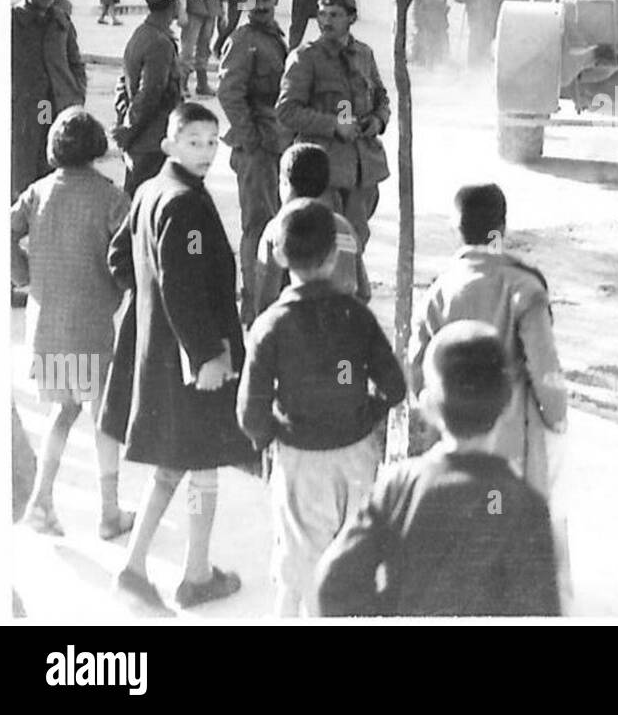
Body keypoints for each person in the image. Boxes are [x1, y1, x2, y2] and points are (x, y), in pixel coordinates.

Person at [105, 103, 256, 612]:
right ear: (169, 144)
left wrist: (150, 312)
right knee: (202, 466)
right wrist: (206, 353)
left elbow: (121, 260)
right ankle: (195, 575)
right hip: (194, 365)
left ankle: (134, 566)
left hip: (162, 357)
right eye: (194, 142)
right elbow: (185, 285)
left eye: (213, 142)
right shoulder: (186, 204)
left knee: (173, 468)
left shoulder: (148, 190)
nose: (207, 152)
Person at [315, 321, 561, 617]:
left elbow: (333, 584)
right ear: (508, 404)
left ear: (429, 406)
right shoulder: (524, 505)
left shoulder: (398, 486)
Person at [237, 199, 405, 616]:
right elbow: (395, 387)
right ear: (334, 256)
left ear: (279, 255)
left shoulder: (270, 327)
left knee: (299, 571)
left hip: (300, 461)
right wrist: (367, 413)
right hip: (356, 456)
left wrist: (269, 437)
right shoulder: (357, 316)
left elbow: (250, 412)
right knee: (350, 568)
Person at [12, 108, 133, 540]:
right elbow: (129, 256)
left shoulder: (38, 192)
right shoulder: (111, 198)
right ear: (97, 147)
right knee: (103, 417)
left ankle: (42, 500)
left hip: (48, 322)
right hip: (92, 323)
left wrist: (24, 275)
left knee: (64, 411)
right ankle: (109, 511)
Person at [412, 183, 567, 498]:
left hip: (453, 440)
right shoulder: (524, 286)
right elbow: (544, 364)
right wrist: (557, 417)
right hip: (512, 439)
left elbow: (417, 373)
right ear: (503, 227)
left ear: (456, 228)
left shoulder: (437, 292)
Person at [276, 0, 390, 250]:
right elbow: (286, 110)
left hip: (362, 168)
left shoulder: (364, 54)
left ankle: (352, 288)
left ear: (351, 17)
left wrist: (378, 120)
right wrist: (333, 125)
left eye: (335, 15)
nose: (326, 21)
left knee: (355, 241)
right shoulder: (305, 58)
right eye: (323, 14)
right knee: (324, 241)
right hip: (323, 169)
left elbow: (381, 97)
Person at [218, 0, 289, 319]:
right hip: (257, 147)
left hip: (275, 142)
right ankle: (254, 302)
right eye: (253, 0)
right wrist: (251, 139)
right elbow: (229, 93)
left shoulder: (273, 36)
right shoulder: (243, 39)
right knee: (257, 226)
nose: (261, 6)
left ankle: (274, 294)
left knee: (276, 220)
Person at [250, 143, 371, 324]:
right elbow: (364, 292)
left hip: (297, 336)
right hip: (343, 333)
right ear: (325, 185)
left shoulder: (278, 229)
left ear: (283, 183)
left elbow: (267, 298)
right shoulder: (345, 228)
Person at [11, 0, 87, 205]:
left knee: (59, 167)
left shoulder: (60, 20)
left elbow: (75, 60)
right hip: (28, 108)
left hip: (59, 104)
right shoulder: (13, 21)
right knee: (24, 170)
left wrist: (77, 93)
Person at [113, 0, 183, 197]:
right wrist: (129, 131)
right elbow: (150, 93)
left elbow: (123, 85)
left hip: (142, 141)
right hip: (153, 142)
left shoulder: (141, 34)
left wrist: (125, 124)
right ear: (173, 5)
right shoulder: (160, 42)